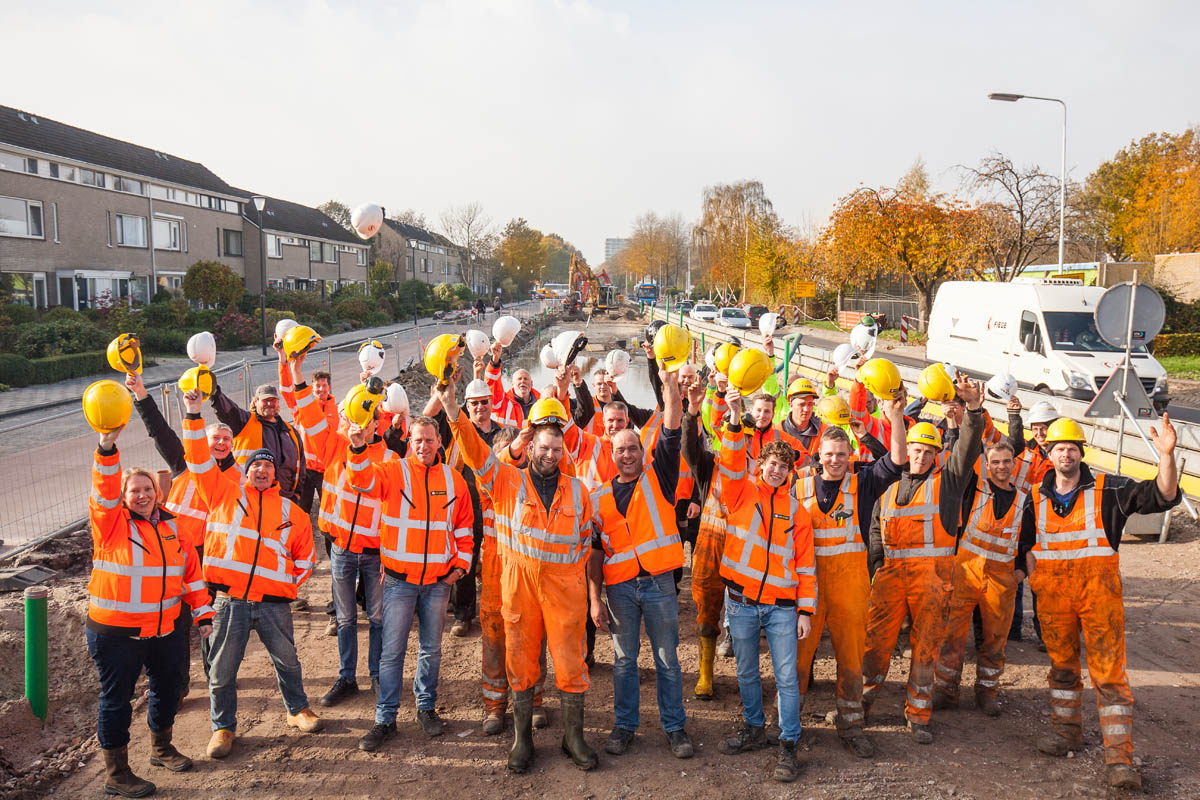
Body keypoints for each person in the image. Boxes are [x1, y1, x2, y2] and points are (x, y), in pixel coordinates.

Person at [1018, 415, 1180, 792]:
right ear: (1049, 452)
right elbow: (1026, 545)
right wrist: (1039, 581)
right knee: (1062, 669)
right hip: (1054, 601)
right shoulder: (1035, 498)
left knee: (1108, 675)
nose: (1066, 453)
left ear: (1081, 452)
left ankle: (1120, 757)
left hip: (1099, 598)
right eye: (1060, 447)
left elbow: (1162, 495)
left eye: (1072, 447)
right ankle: (1066, 733)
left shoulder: (1110, 490)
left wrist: (1167, 456)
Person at [442, 384, 597, 774]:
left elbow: (584, 542)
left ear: (564, 453)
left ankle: (573, 738)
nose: (550, 455)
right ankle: (522, 739)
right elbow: (477, 456)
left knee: (570, 662)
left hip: (565, 588)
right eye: (544, 448)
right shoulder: (507, 482)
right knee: (521, 660)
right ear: (530, 447)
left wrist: (573, 583)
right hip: (519, 585)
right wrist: (451, 409)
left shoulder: (579, 491)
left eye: (557, 450)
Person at [180, 390, 321, 761]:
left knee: (287, 660)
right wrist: (194, 413)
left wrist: (288, 584)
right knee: (223, 669)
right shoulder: (223, 496)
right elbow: (196, 458)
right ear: (246, 471)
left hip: (274, 603)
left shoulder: (293, 513)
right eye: (255, 466)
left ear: (276, 474)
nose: (261, 471)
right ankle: (222, 728)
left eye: (268, 467)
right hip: (230, 602)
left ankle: (298, 710)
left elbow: (306, 557)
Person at [86, 423, 214, 798]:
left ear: (158, 493)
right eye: (134, 491)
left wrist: (202, 613)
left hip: (166, 628)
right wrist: (107, 447)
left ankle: (161, 748)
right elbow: (104, 491)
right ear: (123, 497)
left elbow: (191, 573)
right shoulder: (110, 524)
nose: (142, 496)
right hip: (118, 632)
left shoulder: (173, 528)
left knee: (169, 686)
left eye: (147, 490)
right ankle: (117, 773)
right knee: (117, 699)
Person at [861, 376, 985, 744]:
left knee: (926, 648)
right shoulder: (889, 489)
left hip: (932, 581)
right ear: (908, 451)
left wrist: (972, 412)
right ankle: (861, 704)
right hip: (890, 580)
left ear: (935, 456)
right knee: (875, 645)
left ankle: (918, 714)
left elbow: (966, 450)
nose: (920, 456)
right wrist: (877, 570)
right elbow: (874, 536)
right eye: (915, 450)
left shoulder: (948, 484)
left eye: (928, 452)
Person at [345, 414, 473, 751]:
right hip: (399, 582)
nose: (423, 446)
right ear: (410, 441)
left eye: (429, 439)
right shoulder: (392, 472)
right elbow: (361, 482)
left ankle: (426, 708)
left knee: (431, 650)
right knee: (392, 653)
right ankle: (385, 718)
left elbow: (463, 528)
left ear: (439, 442)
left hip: (437, 583)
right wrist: (358, 448)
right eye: (417, 440)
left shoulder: (453, 480)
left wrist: (459, 567)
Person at [710, 388, 817, 783]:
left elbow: (806, 565)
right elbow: (732, 458)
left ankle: (788, 743)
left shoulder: (797, 513)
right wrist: (736, 417)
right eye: (771, 464)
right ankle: (755, 728)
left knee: (787, 677)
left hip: (782, 607)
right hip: (739, 602)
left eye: (783, 467)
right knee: (747, 672)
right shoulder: (740, 492)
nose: (776, 471)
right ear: (762, 466)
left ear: (790, 472)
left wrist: (806, 610)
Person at [793, 396, 908, 758]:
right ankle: (789, 727)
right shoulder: (800, 489)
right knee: (796, 660)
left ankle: (851, 724)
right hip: (808, 591)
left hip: (851, 590)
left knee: (851, 658)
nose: (836, 460)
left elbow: (897, 461)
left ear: (850, 455)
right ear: (820, 454)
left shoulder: (864, 485)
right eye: (829, 454)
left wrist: (896, 418)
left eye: (842, 454)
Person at [589, 367, 694, 760]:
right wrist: (595, 599)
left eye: (633, 448)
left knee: (668, 660)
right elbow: (596, 554)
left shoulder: (660, 477)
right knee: (623, 662)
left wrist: (669, 386)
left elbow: (670, 430)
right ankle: (625, 725)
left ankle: (675, 727)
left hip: (659, 585)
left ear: (641, 451)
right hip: (619, 590)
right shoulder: (599, 497)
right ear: (611, 454)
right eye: (620, 450)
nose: (628, 454)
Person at [289, 356, 392, 708]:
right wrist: (297, 375)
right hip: (342, 550)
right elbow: (311, 417)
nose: (364, 426)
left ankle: (377, 674)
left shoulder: (390, 459)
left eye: (371, 421)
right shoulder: (334, 446)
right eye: (358, 420)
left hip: (377, 554)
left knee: (377, 618)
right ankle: (347, 677)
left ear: (379, 423)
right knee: (346, 618)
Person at [126, 371, 234, 683]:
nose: (221, 443)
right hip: (169, 551)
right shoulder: (184, 463)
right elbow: (158, 430)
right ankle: (179, 683)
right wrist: (141, 393)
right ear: (205, 441)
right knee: (175, 620)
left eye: (227, 440)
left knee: (207, 618)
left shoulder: (234, 478)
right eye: (215, 438)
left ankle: (214, 673)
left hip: (206, 556)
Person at [932, 439, 1027, 718]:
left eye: (1006, 461)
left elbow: (1031, 541)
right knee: (953, 633)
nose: (1001, 467)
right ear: (987, 466)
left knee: (995, 637)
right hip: (965, 573)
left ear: (1014, 464)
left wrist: (1021, 573)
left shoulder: (1025, 500)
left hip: (1002, 579)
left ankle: (988, 691)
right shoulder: (973, 491)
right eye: (995, 462)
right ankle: (946, 689)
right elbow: (959, 459)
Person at [209, 378, 306, 506]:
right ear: (256, 402)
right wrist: (215, 393)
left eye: (273, 400)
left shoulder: (290, 431)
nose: (270, 404)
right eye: (265, 400)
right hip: (249, 497)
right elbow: (227, 409)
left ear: (278, 403)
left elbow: (301, 465)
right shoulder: (244, 422)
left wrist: (297, 493)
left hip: (284, 499)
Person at [485, 341, 541, 427]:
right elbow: (492, 383)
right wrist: (495, 359)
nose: (522, 381)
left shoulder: (541, 402)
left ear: (531, 383)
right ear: (512, 384)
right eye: (519, 379)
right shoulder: (503, 403)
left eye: (526, 379)